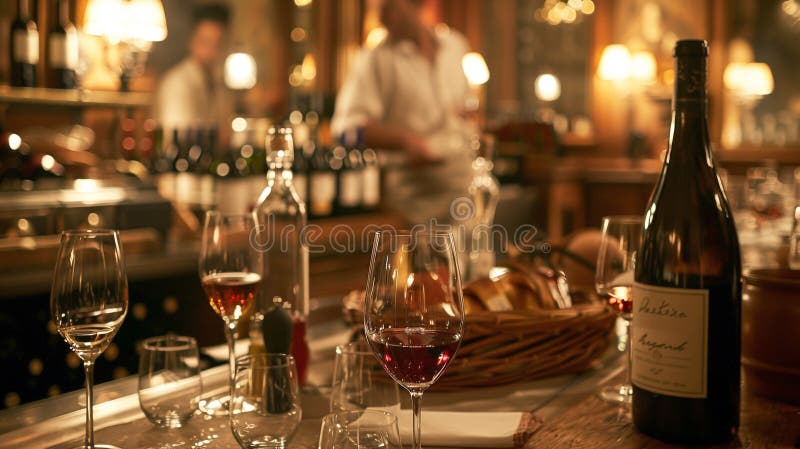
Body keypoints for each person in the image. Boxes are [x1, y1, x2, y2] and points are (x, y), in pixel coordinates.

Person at [330, 0, 477, 225]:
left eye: (388, 6)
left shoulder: (455, 45)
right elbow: (344, 131)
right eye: (376, 8)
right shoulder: (375, 59)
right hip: (413, 200)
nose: (380, 16)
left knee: (470, 258)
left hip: (464, 186)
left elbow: (463, 105)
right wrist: (405, 140)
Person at [156, 3, 232, 135]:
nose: (212, 51)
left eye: (218, 44)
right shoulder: (177, 83)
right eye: (206, 42)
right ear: (192, 41)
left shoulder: (217, 80)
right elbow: (181, 134)